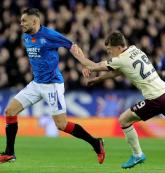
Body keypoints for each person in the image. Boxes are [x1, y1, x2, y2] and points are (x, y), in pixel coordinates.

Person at [0, 8, 105, 164]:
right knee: (10, 111)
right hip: (36, 84)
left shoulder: (49, 35)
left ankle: (96, 143)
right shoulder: (26, 36)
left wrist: (84, 62)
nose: (21, 24)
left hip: (52, 85)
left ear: (34, 21)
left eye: (24, 21)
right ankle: (9, 153)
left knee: (61, 125)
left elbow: (72, 45)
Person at [78, 31, 165, 169]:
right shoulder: (134, 50)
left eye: (110, 50)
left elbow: (93, 66)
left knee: (124, 120)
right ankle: (138, 154)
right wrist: (99, 79)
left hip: (156, 98)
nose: (109, 53)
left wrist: (77, 54)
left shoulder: (120, 59)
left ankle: (137, 155)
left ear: (118, 47)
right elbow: (121, 71)